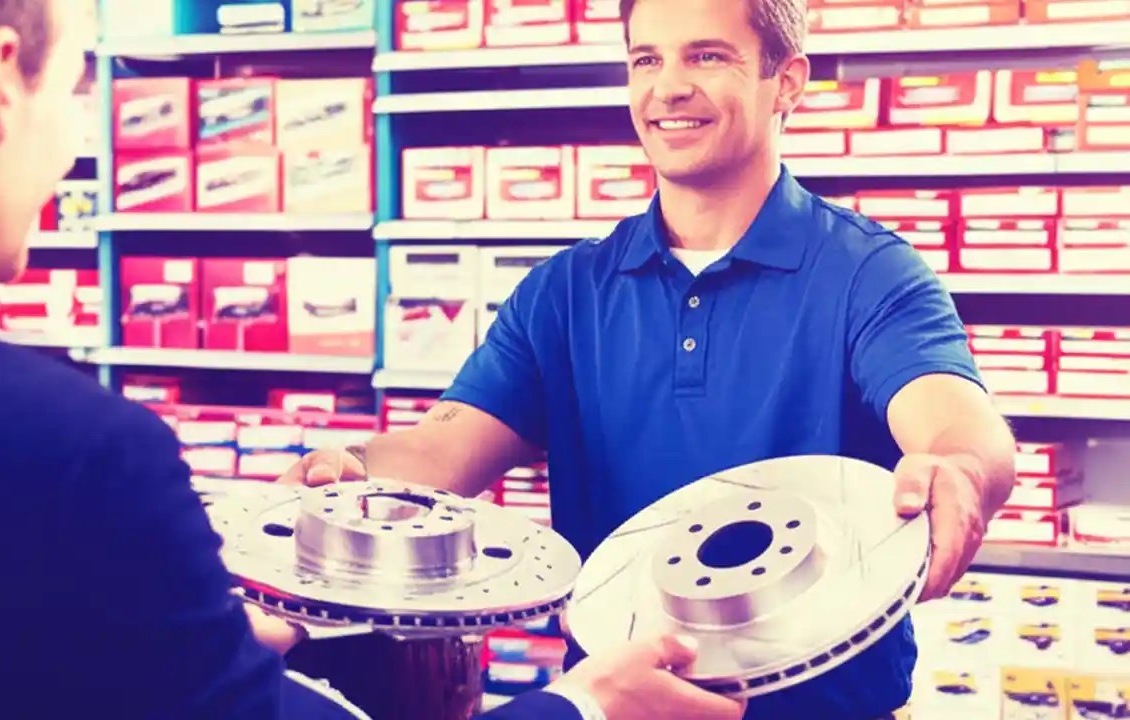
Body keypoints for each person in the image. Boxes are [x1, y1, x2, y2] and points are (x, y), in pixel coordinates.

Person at [0, 2, 747, 720]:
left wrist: (186, 647)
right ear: (2, 79)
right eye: (82, 80)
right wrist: (586, 705)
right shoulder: (78, 456)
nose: (85, 130)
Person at [282, 0, 1019, 717]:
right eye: (646, 59)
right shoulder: (565, 292)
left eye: (707, 55)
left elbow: (958, 425)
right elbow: (440, 451)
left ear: (787, 81)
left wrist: (958, 471)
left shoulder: (868, 272)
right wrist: (349, 475)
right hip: (619, 703)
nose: (668, 87)